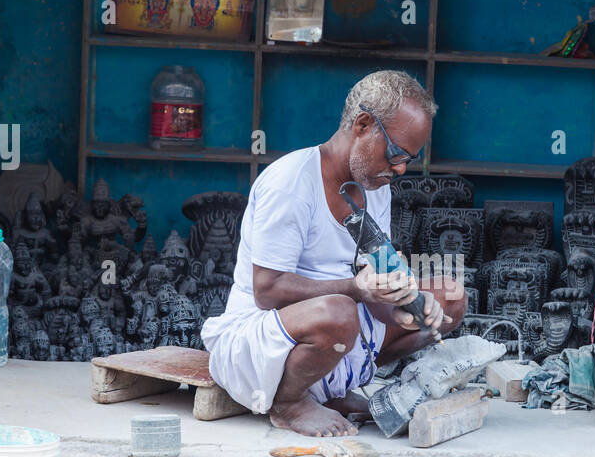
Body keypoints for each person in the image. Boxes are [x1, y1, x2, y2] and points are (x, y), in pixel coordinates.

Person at [200, 70, 466, 437]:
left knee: (450, 297)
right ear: (363, 124)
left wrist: (403, 306)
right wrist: (358, 290)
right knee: (340, 311)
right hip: (260, 338)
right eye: (396, 154)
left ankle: (330, 389)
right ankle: (288, 402)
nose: (401, 169)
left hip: (341, 325)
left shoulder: (376, 186)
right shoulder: (290, 183)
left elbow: (376, 284)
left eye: (410, 159)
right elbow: (267, 290)